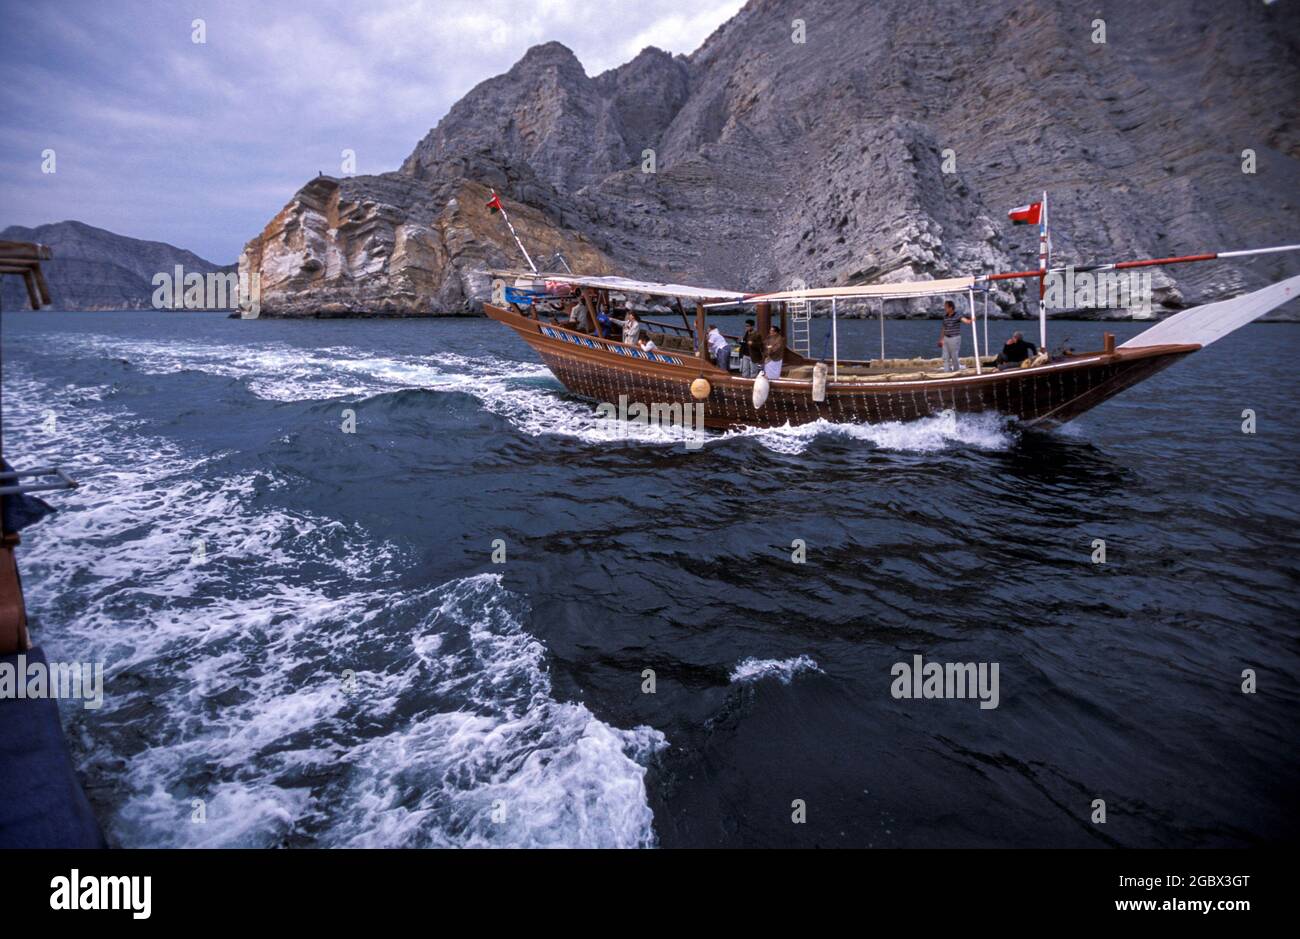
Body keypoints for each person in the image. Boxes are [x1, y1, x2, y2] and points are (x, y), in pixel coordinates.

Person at [938, 299, 973, 372]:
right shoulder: (945, 316)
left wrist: (970, 320)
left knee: (954, 356)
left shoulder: (957, 315)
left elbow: (965, 320)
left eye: (946, 307)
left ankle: (956, 371)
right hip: (946, 338)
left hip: (955, 338)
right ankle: (947, 372)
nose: (945, 308)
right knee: (945, 356)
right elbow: (943, 328)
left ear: (951, 308)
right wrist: (941, 339)